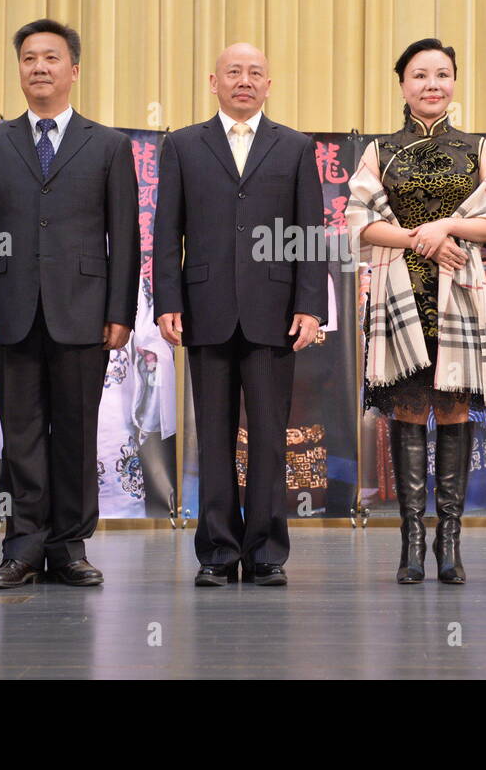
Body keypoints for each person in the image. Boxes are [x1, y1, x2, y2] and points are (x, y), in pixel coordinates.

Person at [0, 19, 139, 589]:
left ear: (74, 70)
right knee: (22, 435)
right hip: (10, 312)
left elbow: (125, 237)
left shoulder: (108, 145)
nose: (39, 67)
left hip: (84, 312)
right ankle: (22, 547)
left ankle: (69, 548)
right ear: (20, 69)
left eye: (51, 58)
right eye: (30, 58)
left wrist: (120, 312)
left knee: (76, 434)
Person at [154, 43, 325, 587]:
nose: (244, 80)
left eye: (255, 73)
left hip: (274, 312)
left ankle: (268, 552)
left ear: (269, 84)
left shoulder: (295, 147)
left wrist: (310, 306)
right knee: (214, 432)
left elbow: (309, 235)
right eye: (234, 72)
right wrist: (167, 301)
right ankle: (218, 553)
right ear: (214, 81)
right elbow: (166, 232)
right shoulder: (182, 145)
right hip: (204, 310)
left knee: (272, 435)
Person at [346, 38, 486, 585]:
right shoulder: (380, 150)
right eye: (420, 75)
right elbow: (359, 224)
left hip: (459, 296)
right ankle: (412, 541)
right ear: (402, 85)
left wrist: (448, 229)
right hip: (401, 295)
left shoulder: (477, 147)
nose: (431, 84)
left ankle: (450, 542)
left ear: (455, 83)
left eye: (442, 75)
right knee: (411, 413)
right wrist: (424, 240)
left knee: (456, 413)